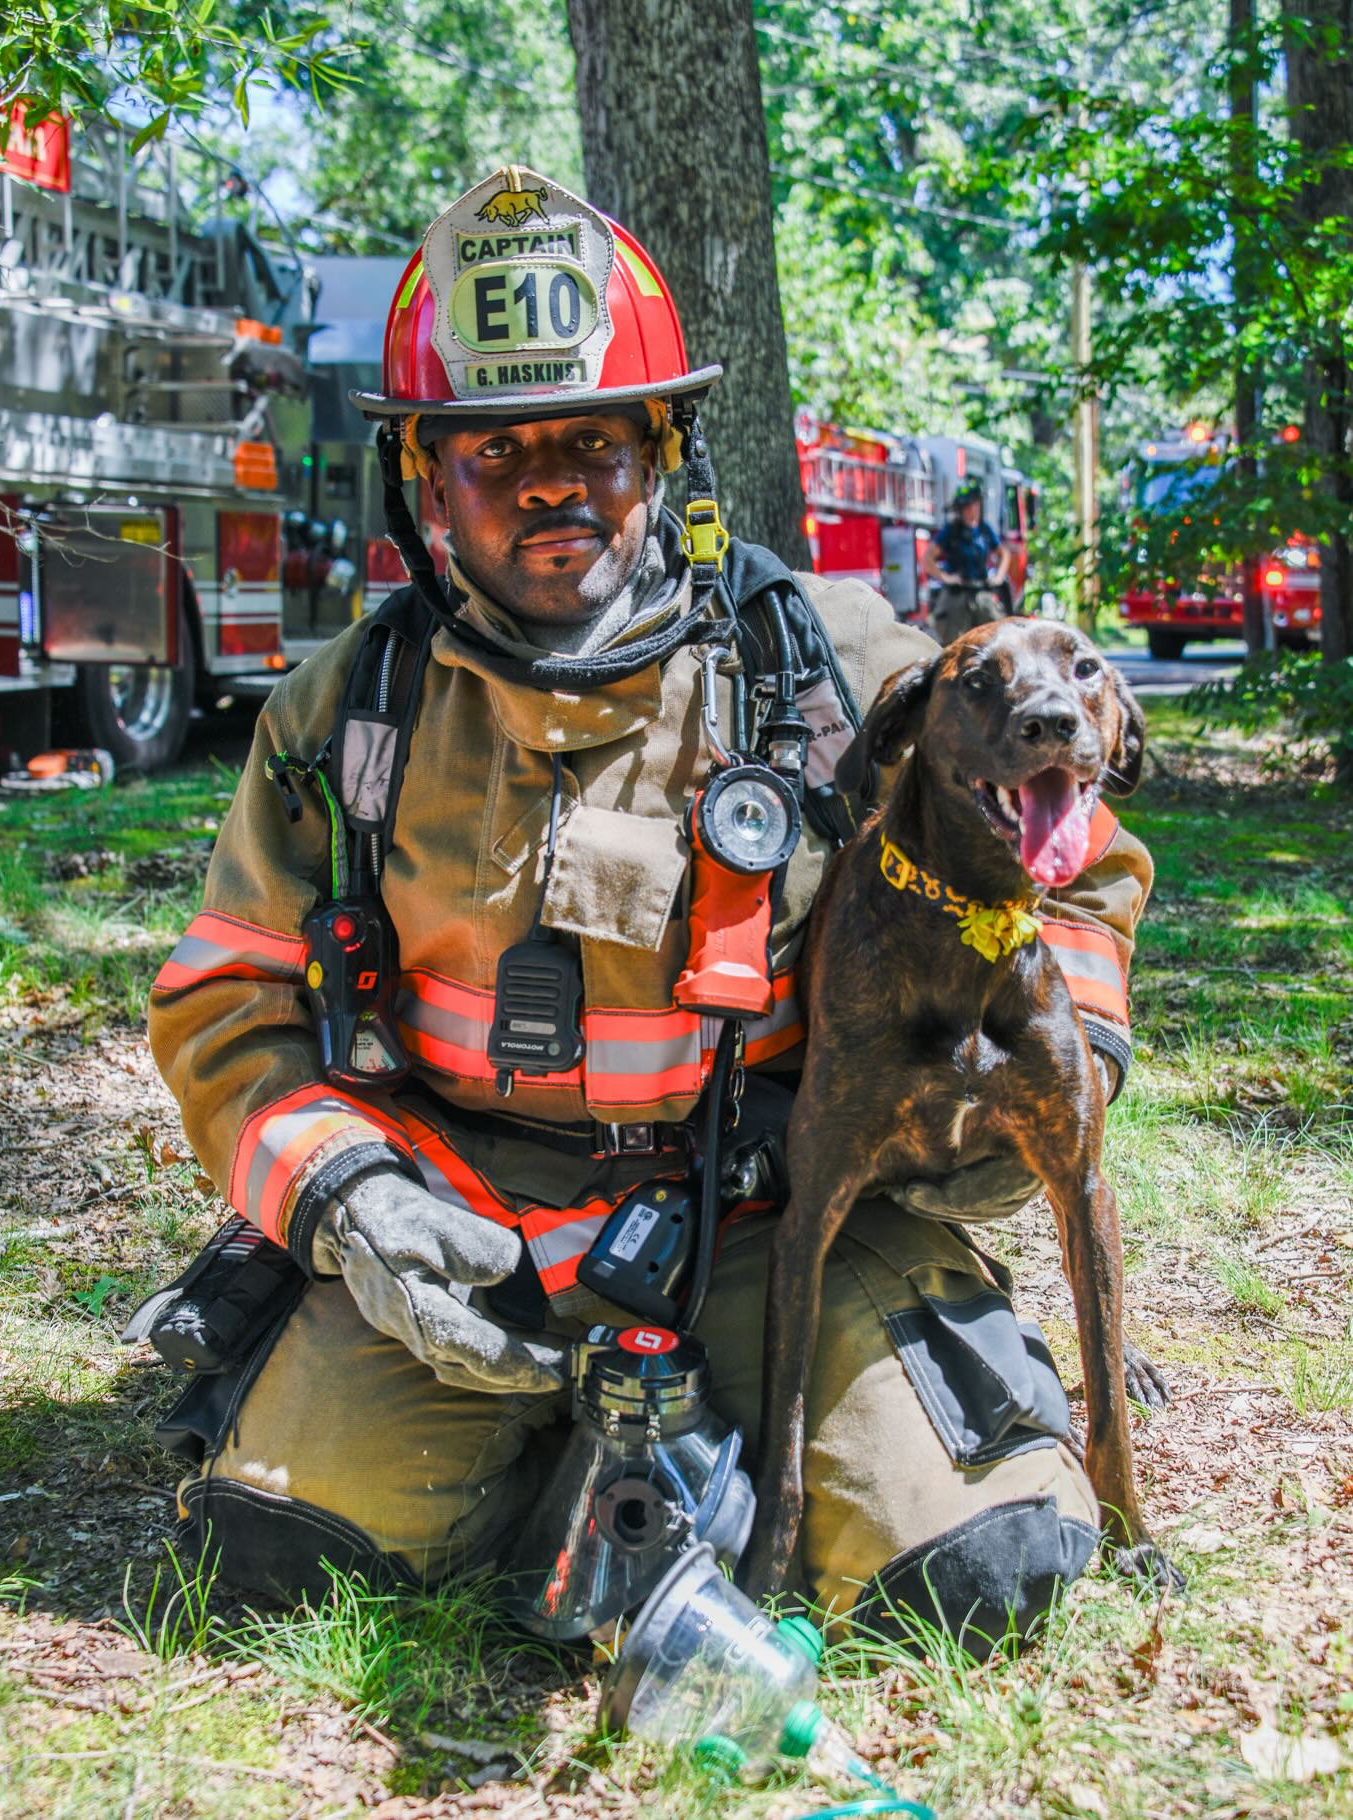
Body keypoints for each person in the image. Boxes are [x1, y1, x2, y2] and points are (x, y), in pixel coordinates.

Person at [148, 166, 1151, 1652]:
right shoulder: (344, 711)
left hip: (772, 1217)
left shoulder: (831, 667)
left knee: (988, 1577)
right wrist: (354, 1204)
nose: (552, 483)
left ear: (664, 448)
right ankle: (548, 1435)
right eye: (496, 456)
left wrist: (1047, 1078)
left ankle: (733, 1413)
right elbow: (226, 1002)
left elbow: (1080, 863)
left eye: (595, 441)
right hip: (461, 1233)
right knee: (274, 1570)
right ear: (425, 484)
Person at [923, 481, 1012, 645]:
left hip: (981, 593)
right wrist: (945, 577)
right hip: (956, 595)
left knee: (998, 637)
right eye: (967, 506)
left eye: (975, 505)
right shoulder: (951, 531)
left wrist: (998, 577)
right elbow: (927, 558)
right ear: (961, 509)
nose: (972, 510)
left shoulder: (984, 530)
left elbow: (1003, 553)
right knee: (954, 644)